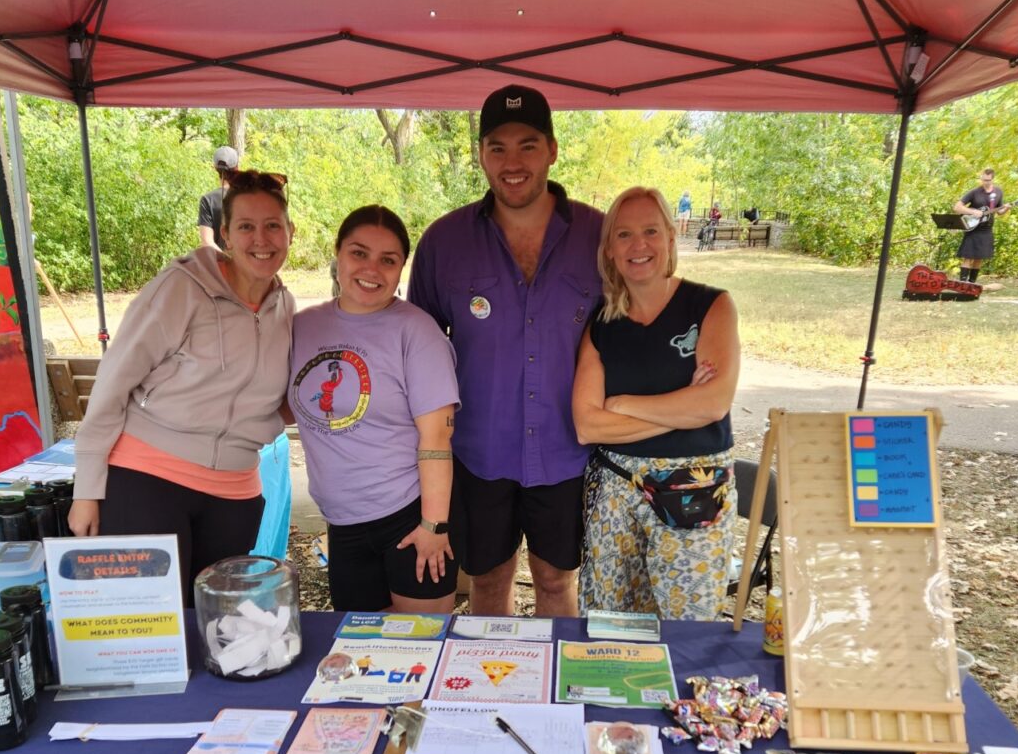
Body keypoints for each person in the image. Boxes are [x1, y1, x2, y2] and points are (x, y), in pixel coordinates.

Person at [409, 84, 604, 618]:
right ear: (480, 154)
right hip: (479, 454)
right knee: (489, 583)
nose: (512, 162)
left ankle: (550, 701)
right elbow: (418, 355)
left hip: (567, 452)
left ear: (552, 149)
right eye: (497, 147)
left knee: (556, 583)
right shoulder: (444, 243)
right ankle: (490, 693)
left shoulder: (598, 235)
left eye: (527, 145)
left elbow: (630, 330)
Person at [70, 170, 294, 601]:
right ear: (225, 234)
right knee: (151, 629)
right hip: (148, 479)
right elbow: (113, 384)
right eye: (246, 226)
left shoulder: (285, 305)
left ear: (290, 233)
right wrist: (87, 490)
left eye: (273, 226)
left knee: (215, 630)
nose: (260, 239)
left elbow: (274, 400)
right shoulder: (182, 288)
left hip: (235, 491)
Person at [572, 186, 741, 621]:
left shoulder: (711, 306)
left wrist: (624, 402)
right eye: (624, 235)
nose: (639, 245)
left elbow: (712, 405)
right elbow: (588, 425)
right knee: (609, 627)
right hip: (615, 493)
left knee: (688, 626)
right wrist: (682, 407)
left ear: (670, 236)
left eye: (650, 231)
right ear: (609, 249)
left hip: (694, 492)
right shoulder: (603, 324)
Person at [289, 205, 459, 613]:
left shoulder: (416, 331)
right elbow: (285, 402)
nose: (372, 269)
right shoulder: (304, 325)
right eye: (358, 253)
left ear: (402, 267)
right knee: (363, 655)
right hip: (343, 523)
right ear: (338, 253)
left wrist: (434, 526)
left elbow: (437, 436)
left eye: (388, 260)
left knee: (420, 652)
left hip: (408, 518)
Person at [954, 168, 1008, 283]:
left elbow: (999, 212)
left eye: (988, 180)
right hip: (973, 229)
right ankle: (963, 284)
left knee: (979, 258)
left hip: (986, 230)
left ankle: (972, 284)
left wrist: (1007, 208)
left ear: (993, 179)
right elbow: (957, 207)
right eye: (983, 179)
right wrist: (972, 212)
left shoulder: (998, 192)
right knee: (968, 257)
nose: (985, 182)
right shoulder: (975, 192)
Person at [197, 146, 240, 250]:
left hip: (219, 265)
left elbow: (207, 242)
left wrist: (228, 262)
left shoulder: (208, 200)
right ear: (237, 167)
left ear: (215, 168)